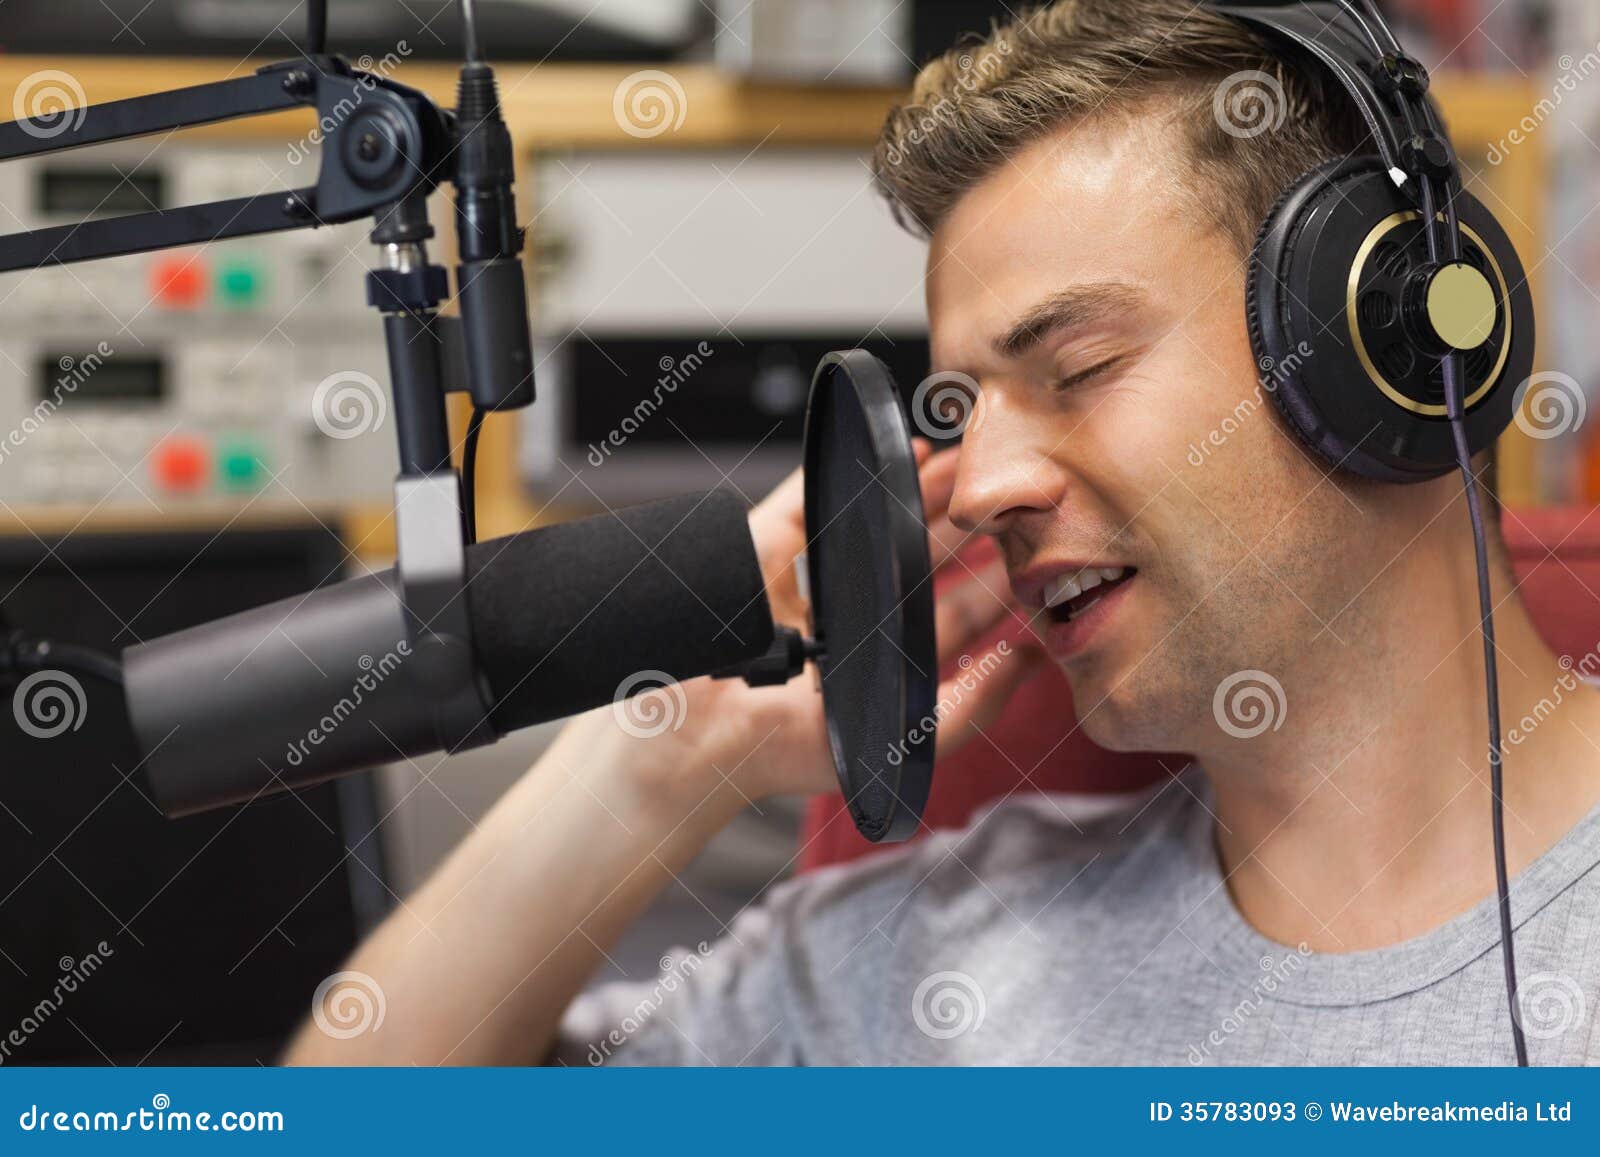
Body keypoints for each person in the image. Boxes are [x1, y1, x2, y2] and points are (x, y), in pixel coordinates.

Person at [286, 0, 1600, 1066]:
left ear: (1386, 336)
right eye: (963, 409)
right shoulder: (922, 968)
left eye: (1077, 367)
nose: (979, 488)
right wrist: (672, 751)